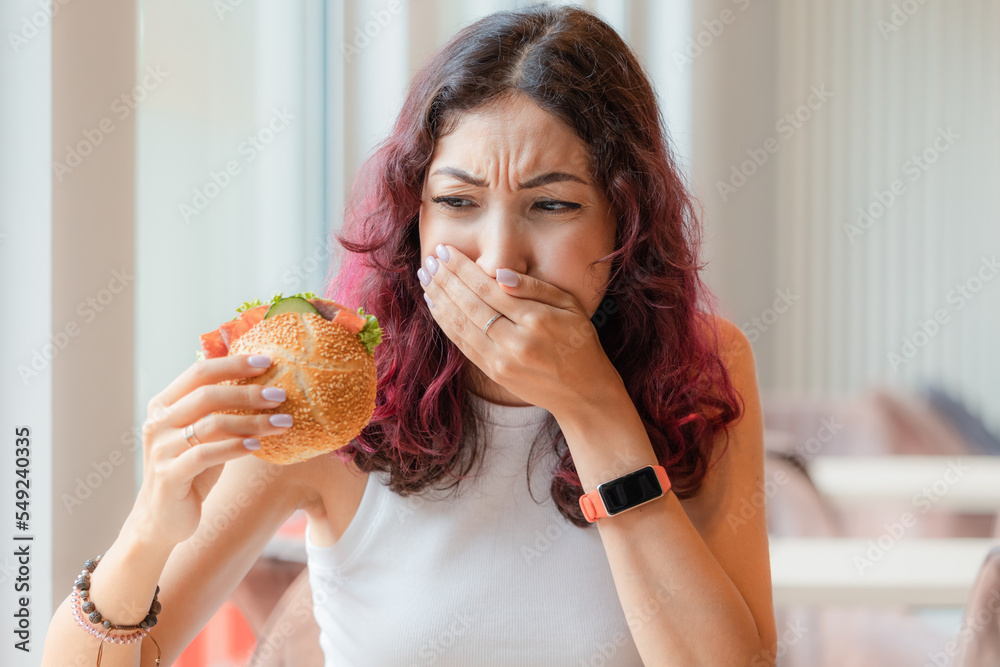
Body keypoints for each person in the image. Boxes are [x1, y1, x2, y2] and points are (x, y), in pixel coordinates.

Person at [42, 3, 777, 666]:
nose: (498, 260)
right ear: (414, 216)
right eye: (458, 201)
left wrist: (593, 407)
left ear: (626, 219)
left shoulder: (703, 365)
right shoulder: (328, 391)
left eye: (551, 204)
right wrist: (147, 529)